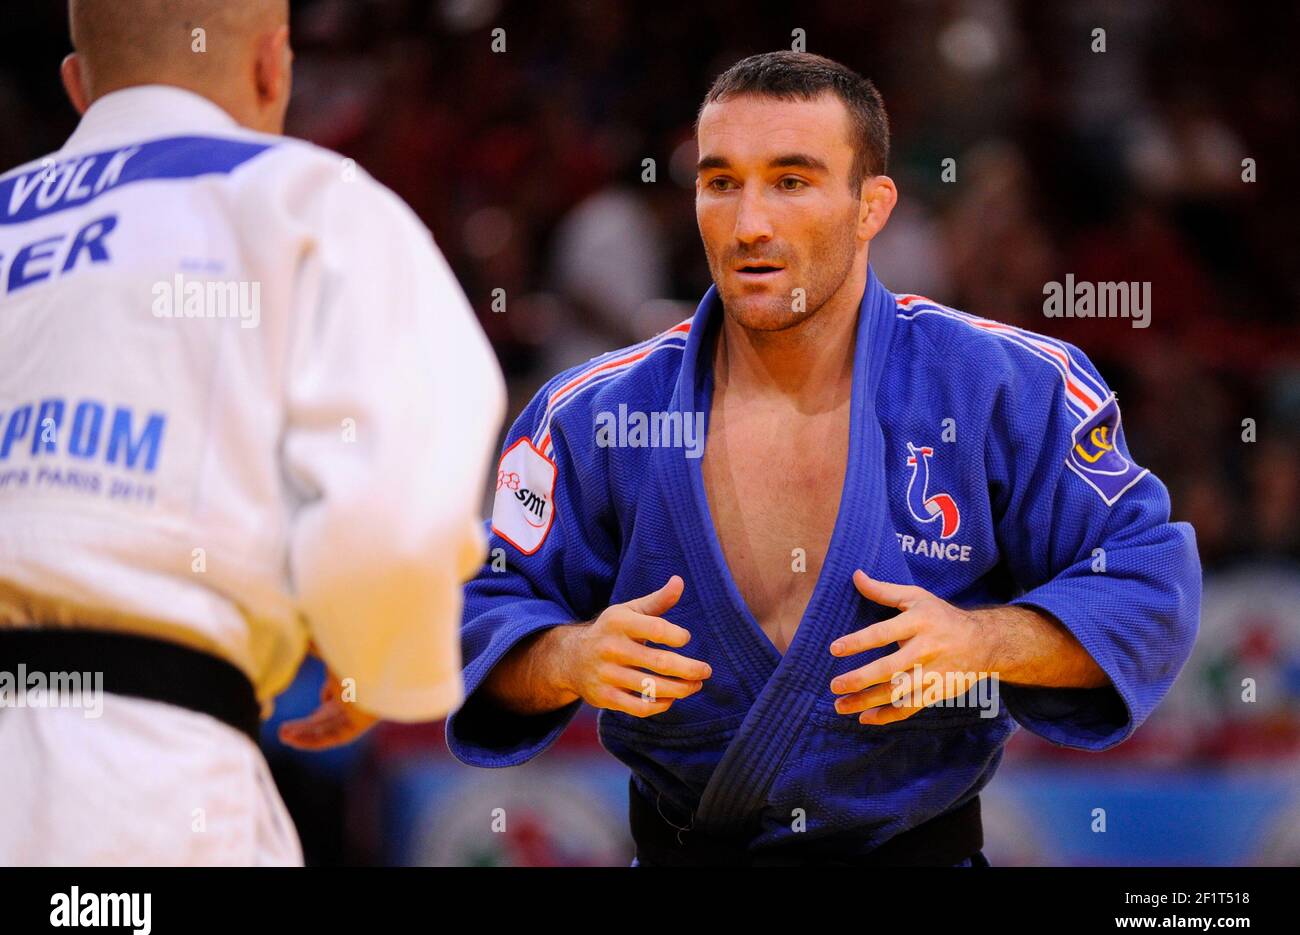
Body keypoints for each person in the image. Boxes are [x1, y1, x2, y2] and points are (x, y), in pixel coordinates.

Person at [447, 51, 1201, 866]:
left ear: (873, 205)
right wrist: (565, 657)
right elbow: (473, 614)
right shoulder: (593, 414)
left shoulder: (1005, 388)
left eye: (792, 181)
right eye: (721, 181)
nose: (749, 225)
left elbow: (1147, 586)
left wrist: (986, 645)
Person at [0, 0, 505, 865]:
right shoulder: (310, 199)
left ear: (79, 86)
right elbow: (392, 525)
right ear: (274, 66)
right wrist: (375, 656)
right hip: (139, 787)